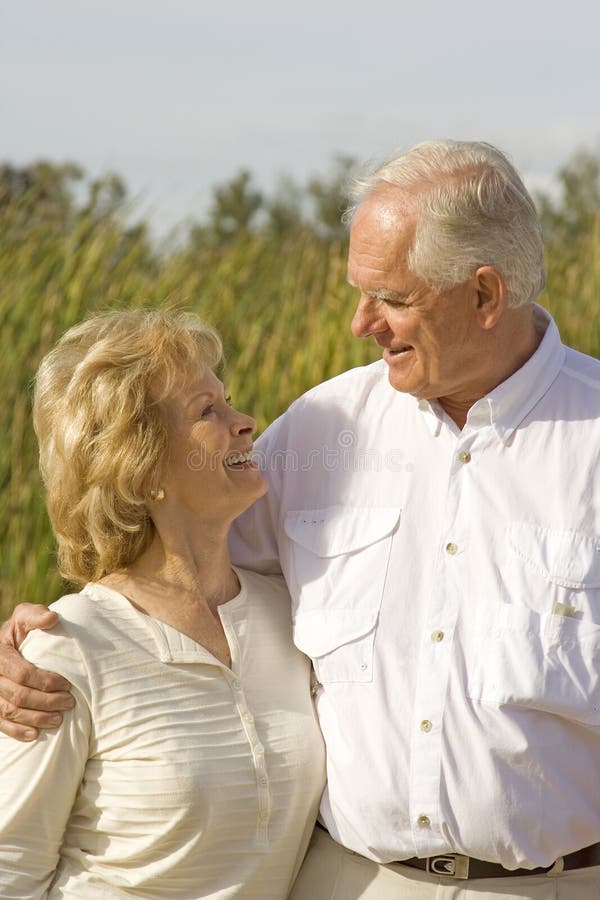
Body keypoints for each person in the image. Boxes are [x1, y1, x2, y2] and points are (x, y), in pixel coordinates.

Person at [2, 140, 599, 899]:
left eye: (391, 297)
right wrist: (29, 646)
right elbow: (165, 566)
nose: (360, 323)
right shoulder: (320, 430)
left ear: (484, 294)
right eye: (359, 292)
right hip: (354, 882)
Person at [0, 309, 325, 898]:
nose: (246, 422)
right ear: (140, 465)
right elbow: (10, 868)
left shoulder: (290, 614)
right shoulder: (65, 649)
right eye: (207, 412)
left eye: (228, 402)